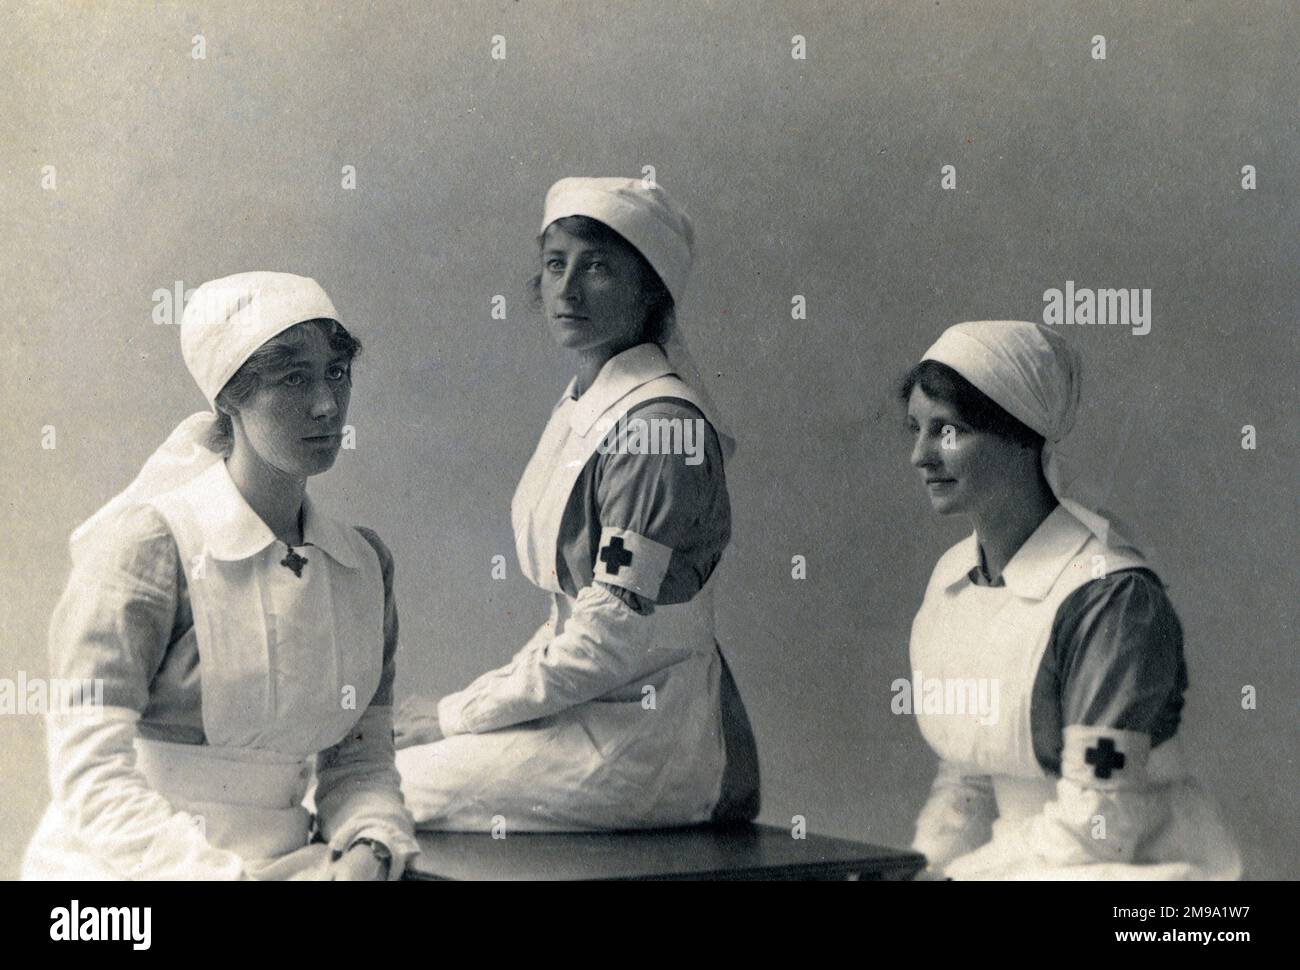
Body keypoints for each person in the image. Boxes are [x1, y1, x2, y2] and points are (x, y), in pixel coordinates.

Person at [22, 272, 419, 880]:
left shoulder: (363, 565)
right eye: (294, 380)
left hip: (292, 864)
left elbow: (359, 764)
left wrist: (370, 846)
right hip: (126, 872)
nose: (326, 405)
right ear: (230, 398)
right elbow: (89, 773)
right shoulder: (149, 549)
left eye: (336, 373)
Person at [395, 177, 760, 830]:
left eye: (597, 266)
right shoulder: (588, 404)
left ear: (651, 289)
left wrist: (455, 716)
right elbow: (574, 622)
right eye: (555, 264)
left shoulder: (658, 429)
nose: (566, 288)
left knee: (377, 794)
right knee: (354, 780)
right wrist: (468, 709)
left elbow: (607, 642)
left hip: (645, 742)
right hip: (589, 707)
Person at [902, 320, 1241, 880]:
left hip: (1133, 872)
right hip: (1022, 863)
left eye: (947, 431)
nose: (920, 455)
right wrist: (926, 868)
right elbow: (966, 778)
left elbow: (1098, 826)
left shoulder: (1110, 596)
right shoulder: (951, 580)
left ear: (1020, 436)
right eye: (915, 428)